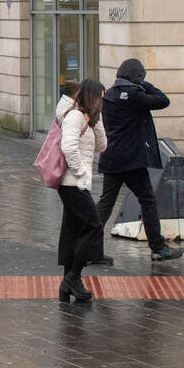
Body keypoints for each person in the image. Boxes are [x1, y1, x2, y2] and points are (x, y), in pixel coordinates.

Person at [96, 59, 184, 262]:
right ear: (137, 76)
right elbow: (163, 100)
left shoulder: (109, 94)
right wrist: (144, 84)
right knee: (148, 200)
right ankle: (158, 247)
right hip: (131, 160)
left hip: (111, 157)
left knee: (106, 203)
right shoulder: (135, 95)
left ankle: (88, 245)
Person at [56, 79, 108, 303]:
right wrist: (81, 173)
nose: (103, 103)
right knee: (94, 226)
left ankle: (67, 285)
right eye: (101, 99)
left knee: (72, 229)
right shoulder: (74, 116)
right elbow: (67, 147)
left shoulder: (88, 118)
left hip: (76, 182)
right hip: (72, 183)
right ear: (91, 97)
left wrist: (96, 120)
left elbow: (102, 145)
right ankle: (74, 276)